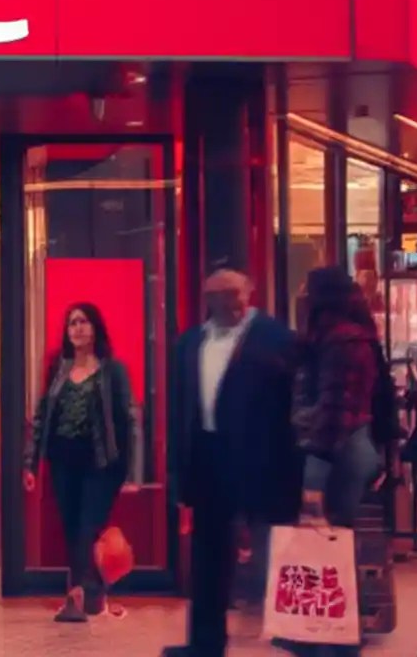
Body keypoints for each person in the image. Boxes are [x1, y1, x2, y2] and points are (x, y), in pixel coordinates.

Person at [162, 269, 303, 657]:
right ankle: (205, 642)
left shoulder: (278, 339)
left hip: (263, 457)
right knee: (208, 554)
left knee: (273, 548)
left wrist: (297, 465)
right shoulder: (190, 343)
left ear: (250, 292)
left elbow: (295, 404)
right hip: (207, 457)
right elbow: (179, 410)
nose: (228, 303)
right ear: (207, 299)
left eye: (234, 294)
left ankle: (301, 633)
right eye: (218, 296)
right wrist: (177, 469)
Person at [282, 267, 388, 657]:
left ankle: (330, 634)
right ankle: (332, 631)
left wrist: (315, 474)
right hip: (347, 446)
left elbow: (334, 409)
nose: (301, 291)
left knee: (326, 543)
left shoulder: (340, 340)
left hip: (335, 450)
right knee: (335, 542)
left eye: (307, 285)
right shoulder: (340, 335)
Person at [23, 302, 135, 622]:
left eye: (84, 322)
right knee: (72, 530)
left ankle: (87, 599)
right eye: (72, 323)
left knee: (88, 528)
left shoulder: (112, 370)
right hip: (63, 461)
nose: (78, 328)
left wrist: (132, 472)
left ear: (95, 327)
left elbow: (130, 420)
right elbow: (43, 417)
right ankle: (86, 598)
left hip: (100, 463)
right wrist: (30, 464)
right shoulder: (59, 370)